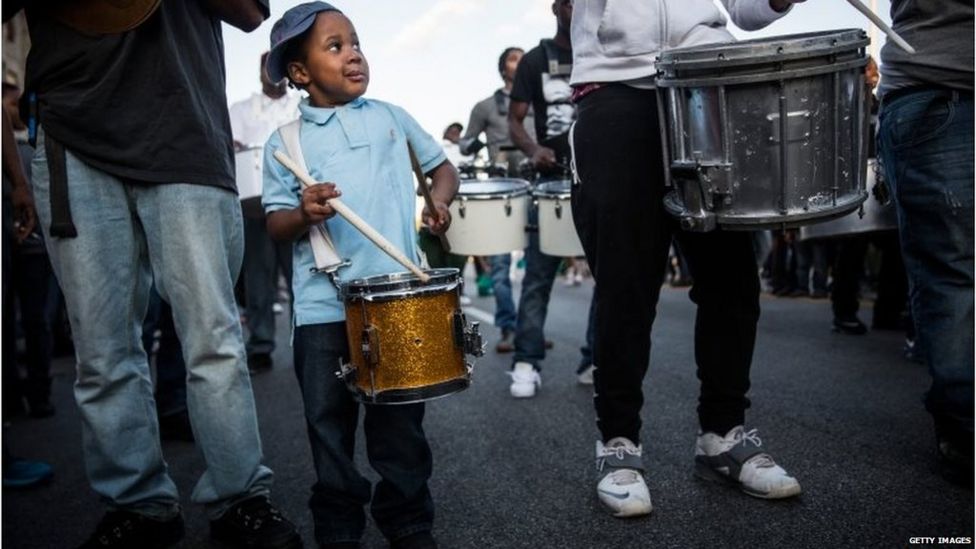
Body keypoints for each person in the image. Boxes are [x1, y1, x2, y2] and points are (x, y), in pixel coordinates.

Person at [5, 1, 302, 547]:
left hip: (182, 130)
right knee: (101, 349)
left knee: (211, 337)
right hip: (71, 133)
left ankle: (241, 498)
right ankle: (138, 506)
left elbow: (250, 12)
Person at [569, 0, 807, 517]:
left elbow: (745, 11)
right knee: (626, 285)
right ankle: (618, 445)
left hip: (710, 84)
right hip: (615, 91)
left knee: (731, 279)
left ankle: (722, 436)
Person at [262, 3, 458, 547]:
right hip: (325, 307)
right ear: (300, 74)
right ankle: (339, 524)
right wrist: (304, 212)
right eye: (335, 46)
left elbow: (443, 168)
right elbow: (276, 224)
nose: (354, 53)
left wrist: (436, 204)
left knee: (400, 428)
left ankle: (409, 518)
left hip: (398, 299)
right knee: (328, 426)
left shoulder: (391, 116)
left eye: (355, 42)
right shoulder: (285, 144)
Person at [876, 0, 974, 485]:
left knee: (952, 271)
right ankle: (964, 425)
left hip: (937, 89)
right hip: (941, 85)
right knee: (952, 271)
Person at [507, 0, 598, 396]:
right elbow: (515, 118)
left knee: (610, 277)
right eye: (570, 2)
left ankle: (596, 359)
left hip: (601, 178)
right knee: (538, 278)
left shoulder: (603, 50)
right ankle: (526, 361)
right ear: (556, 7)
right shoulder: (535, 60)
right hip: (552, 182)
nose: (578, 8)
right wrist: (532, 150)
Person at [229, 51, 300, 376]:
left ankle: (309, 341)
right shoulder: (241, 110)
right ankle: (260, 346)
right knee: (258, 279)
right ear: (259, 73)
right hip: (255, 204)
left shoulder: (301, 108)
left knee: (302, 275)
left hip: (296, 202)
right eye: (265, 69)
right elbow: (232, 144)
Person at [458, 47, 528, 354]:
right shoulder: (485, 106)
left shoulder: (538, 100)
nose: (521, 62)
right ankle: (508, 329)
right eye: (514, 58)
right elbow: (463, 144)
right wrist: (472, 143)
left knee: (538, 270)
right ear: (502, 70)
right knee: (500, 268)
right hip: (501, 191)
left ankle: (530, 330)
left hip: (536, 185)